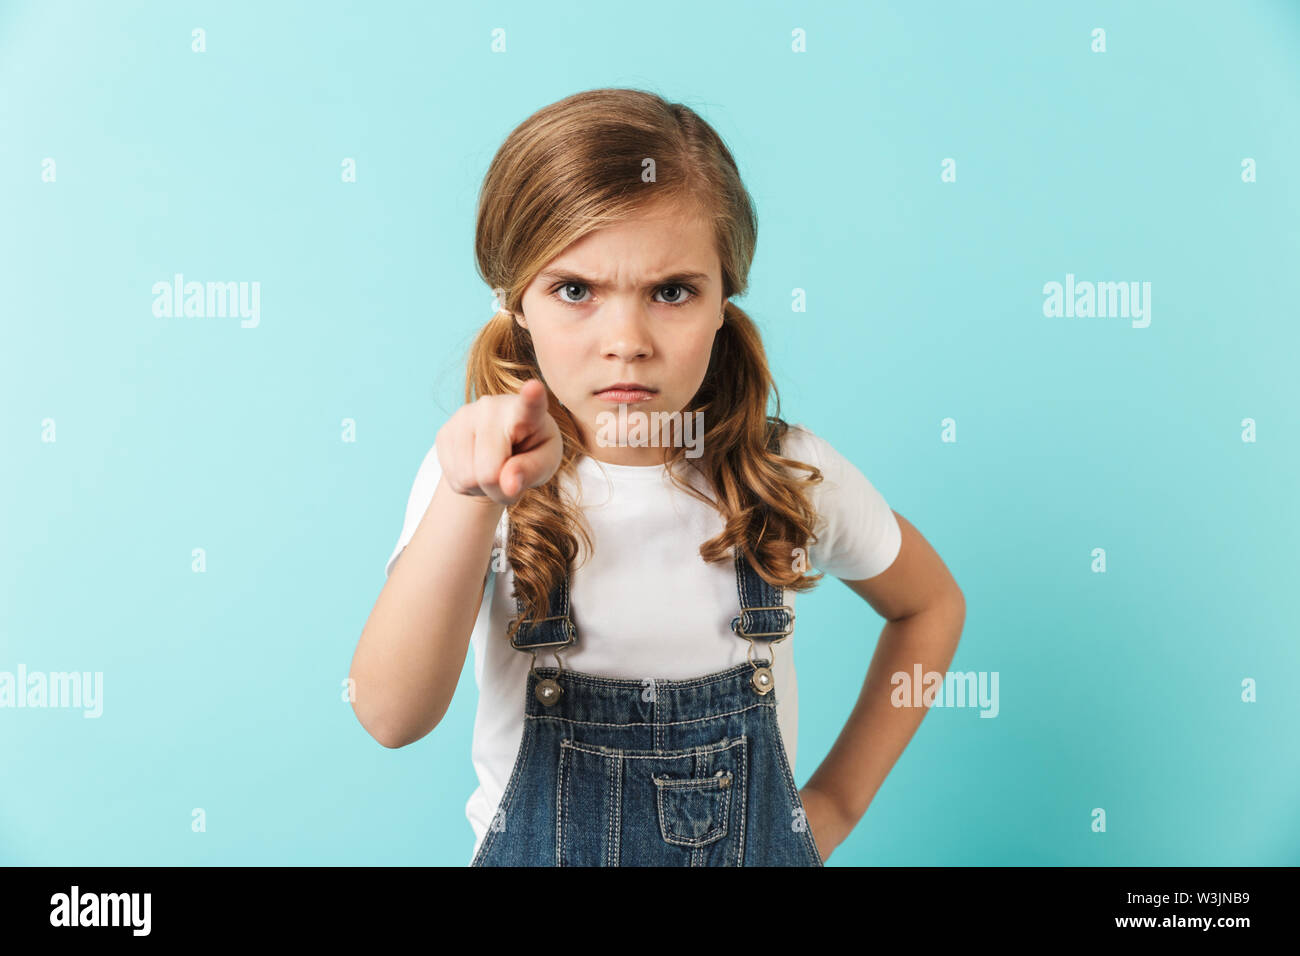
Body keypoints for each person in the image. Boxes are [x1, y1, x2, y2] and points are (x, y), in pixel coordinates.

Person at [350, 88, 966, 866]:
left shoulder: (791, 474)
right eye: (575, 291)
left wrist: (834, 806)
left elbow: (930, 605)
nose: (627, 340)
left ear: (722, 300)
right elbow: (389, 717)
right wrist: (471, 500)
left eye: (671, 292)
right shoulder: (471, 482)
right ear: (517, 306)